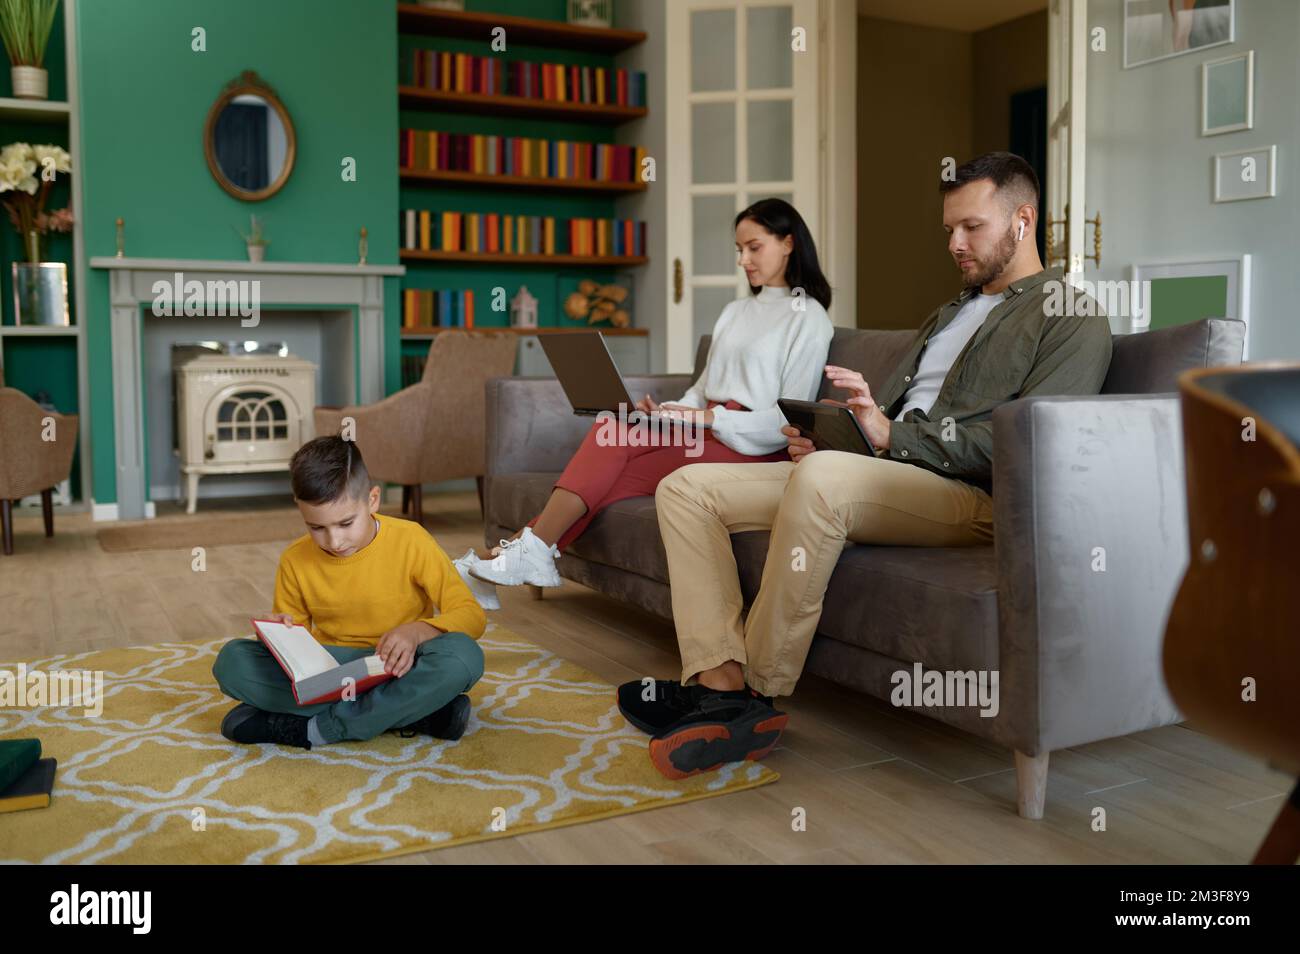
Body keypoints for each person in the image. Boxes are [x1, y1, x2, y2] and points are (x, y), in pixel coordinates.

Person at [619, 152, 1114, 779]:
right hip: (884, 473)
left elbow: (1037, 442)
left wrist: (888, 438)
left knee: (823, 481)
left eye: (973, 227)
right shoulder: (950, 312)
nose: (956, 244)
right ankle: (719, 677)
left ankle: (752, 697)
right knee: (688, 488)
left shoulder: (1070, 315)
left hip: (968, 495)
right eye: (948, 230)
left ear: (1023, 219)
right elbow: (898, 419)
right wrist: (844, 435)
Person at [455, 198, 836, 605]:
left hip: (753, 449)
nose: (744, 259)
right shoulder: (734, 311)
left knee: (612, 432)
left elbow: (784, 420)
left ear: (789, 243)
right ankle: (502, 563)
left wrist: (705, 418)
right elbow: (703, 388)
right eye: (738, 249)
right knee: (611, 444)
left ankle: (501, 559)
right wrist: (670, 411)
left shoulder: (809, 318)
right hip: (705, 431)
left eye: (754, 247)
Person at [212, 436, 487, 749]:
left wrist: (418, 631)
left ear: (372, 500)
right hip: (334, 671)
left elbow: (471, 615)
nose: (334, 540)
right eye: (317, 528)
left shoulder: (412, 540)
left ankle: (317, 729)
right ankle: (412, 713)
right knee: (232, 662)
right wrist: (278, 633)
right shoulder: (294, 558)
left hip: (401, 666)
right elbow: (297, 653)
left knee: (463, 656)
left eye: (345, 523)